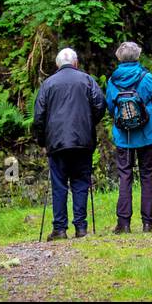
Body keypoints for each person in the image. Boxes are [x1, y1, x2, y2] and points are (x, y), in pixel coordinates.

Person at [32, 47, 106, 240]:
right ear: (75, 63)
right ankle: (81, 228)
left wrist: (42, 139)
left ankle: (60, 229)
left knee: (59, 184)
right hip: (83, 141)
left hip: (56, 143)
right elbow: (100, 105)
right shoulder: (87, 80)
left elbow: (39, 116)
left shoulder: (48, 84)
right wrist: (88, 123)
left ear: (58, 64)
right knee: (81, 183)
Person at [105, 41, 152, 234]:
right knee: (147, 176)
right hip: (147, 135)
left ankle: (123, 224)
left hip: (124, 136)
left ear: (119, 58)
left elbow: (111, 108)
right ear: (138, 56)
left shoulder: (113, 81)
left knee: (125, 176)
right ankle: (148, 223)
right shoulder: (147, 78)